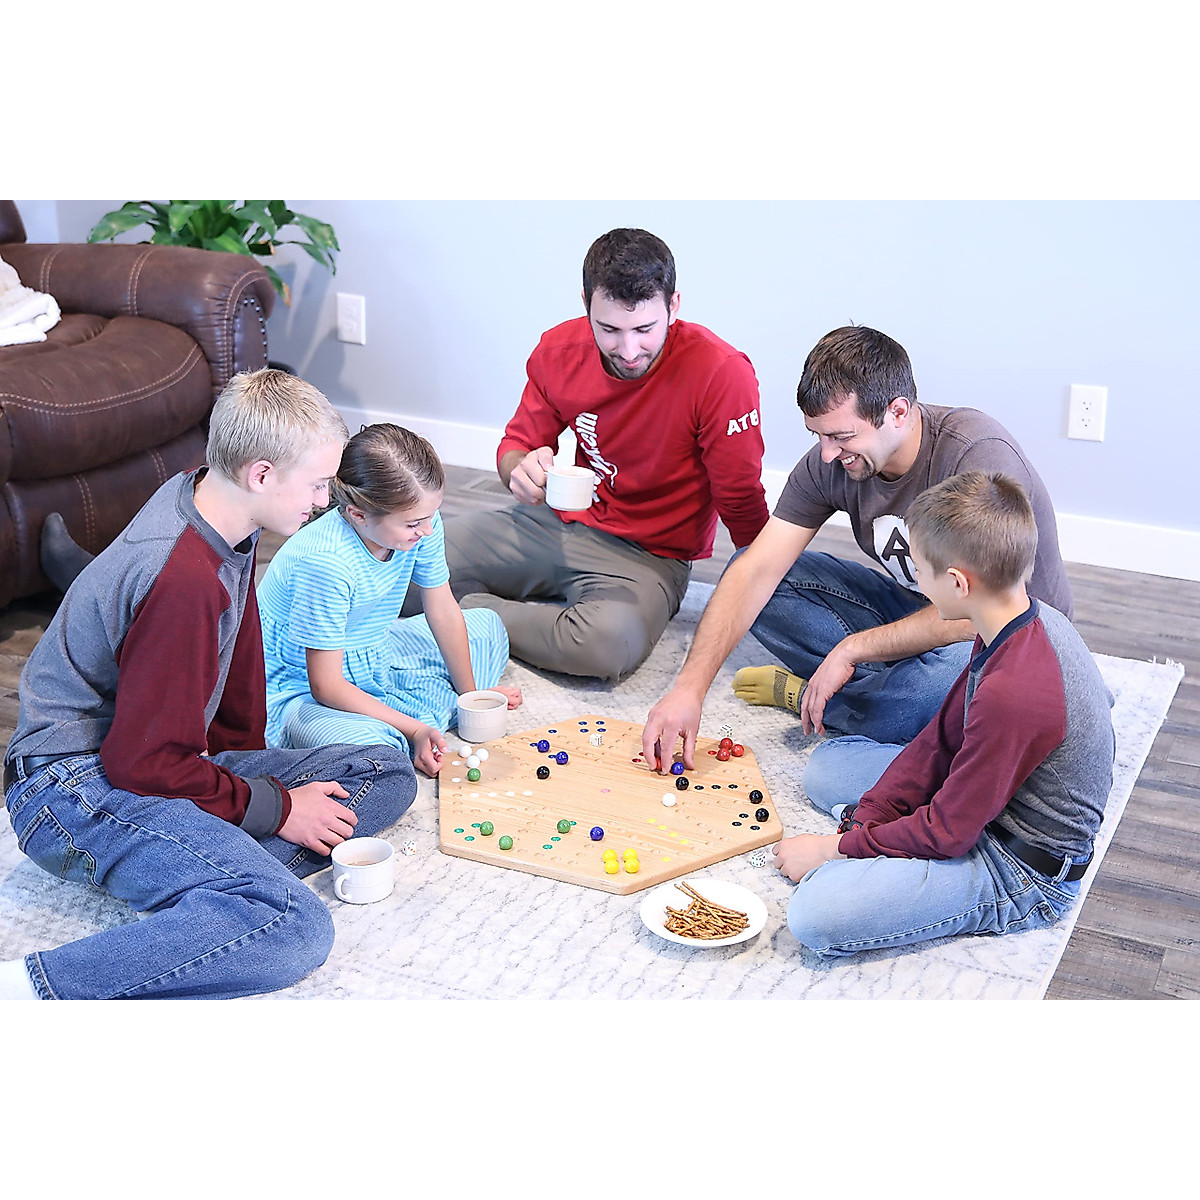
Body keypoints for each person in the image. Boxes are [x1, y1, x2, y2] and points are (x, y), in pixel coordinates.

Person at [0, 369, 418, 1001]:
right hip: (70, 786)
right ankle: (33, 990)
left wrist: (248, 777)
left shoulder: (212, 501)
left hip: (155, 757)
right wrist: (274, 806)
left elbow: (236, 658)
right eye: (316, 483)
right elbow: (139, 763)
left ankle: (203, 893)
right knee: (291, 926)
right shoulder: (182, 579)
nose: (325, 501)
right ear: (260, 473)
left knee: (382, 771)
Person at [642, 324, 1073, 764]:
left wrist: (853, 648)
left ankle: (834, 699)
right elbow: (756, 570)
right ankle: (885, 689)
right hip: (917, 605)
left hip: (1005, 634)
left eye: (842, 437)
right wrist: (687, 691)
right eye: (819, 436)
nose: (828, 454)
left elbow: (981, 609)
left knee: (942, 692)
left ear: (898, 412)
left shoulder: (976, 456)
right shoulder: (831, 462)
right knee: (753, 575)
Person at [772, 470, 1115, 956]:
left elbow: (948, 831)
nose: (916, 582)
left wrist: (834, 849)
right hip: (984, 797)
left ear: (957, 582)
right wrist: (865, 823)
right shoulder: (1008, 617)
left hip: (1021, 865)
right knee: (826, 770)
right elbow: (940, 741)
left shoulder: (1016, 690)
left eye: (919, 570)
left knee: (815, 915)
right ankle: (877, 844)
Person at [410, 227, 770, 681]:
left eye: (645, 328)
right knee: (409, 556)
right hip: (555, 524)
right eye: (609, 329)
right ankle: (465, 603)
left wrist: (767, 586)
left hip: (651, 556)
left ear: (673, 306)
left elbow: (740, 498)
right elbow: (516, 445)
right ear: (586, 305)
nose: (629, 349)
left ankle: (463, 607)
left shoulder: (720, 373)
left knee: (605, 646)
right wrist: (519, 470)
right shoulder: (559, 349)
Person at [257, 423, 522, 776]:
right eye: (413, 524)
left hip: (373, 653)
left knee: (486, 626)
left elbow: (442, 608)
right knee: (375, 750)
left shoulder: (422, 522)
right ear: (358, 514)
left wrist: (470, 696)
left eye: (430, 516)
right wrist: (413, 729)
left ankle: (424, 713)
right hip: (301, 683)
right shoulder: (325, 563)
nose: (426, 531)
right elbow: (325, 685)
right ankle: (406, 729)